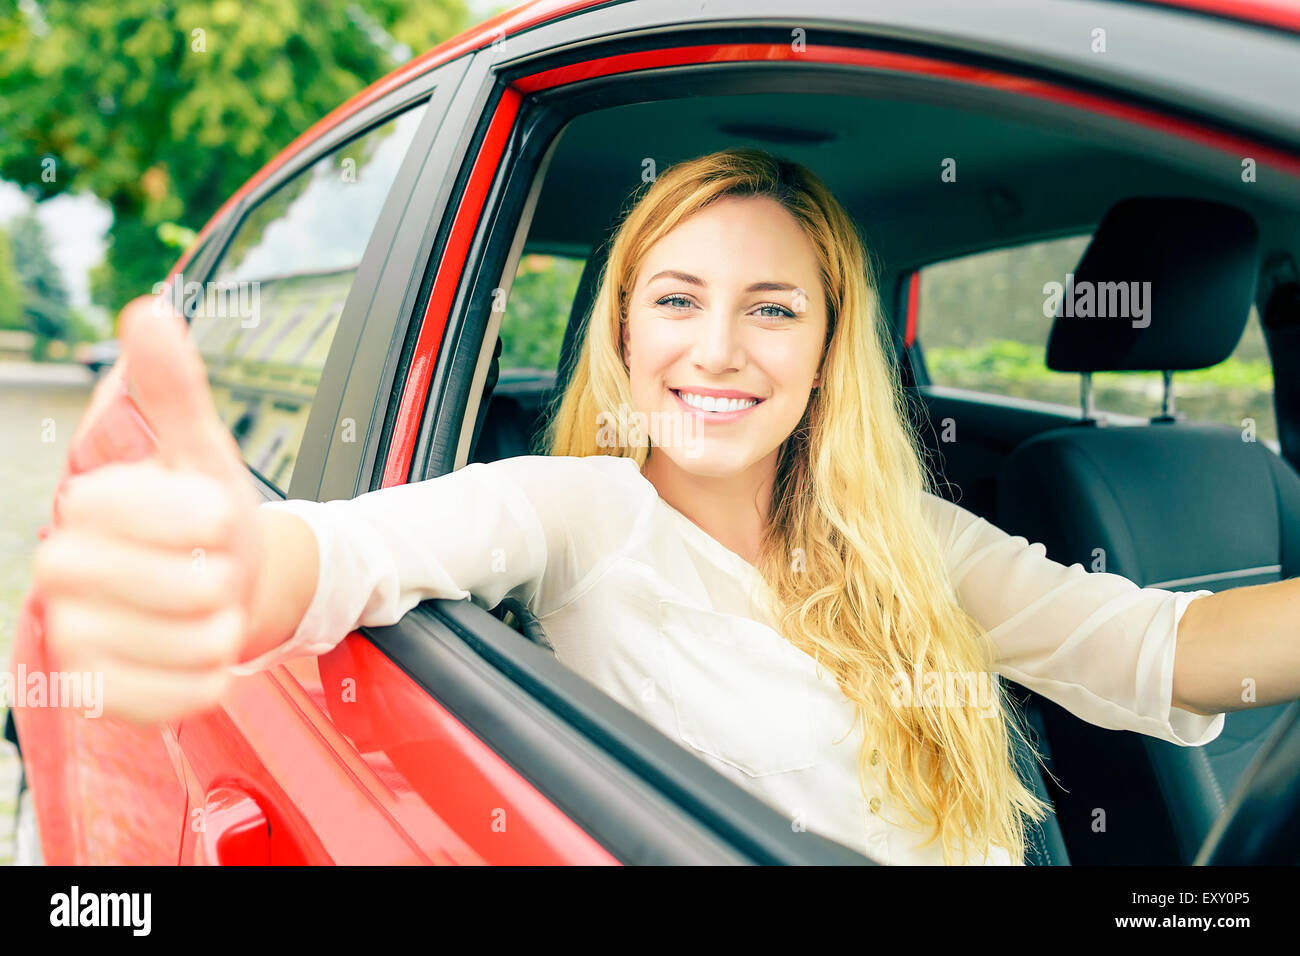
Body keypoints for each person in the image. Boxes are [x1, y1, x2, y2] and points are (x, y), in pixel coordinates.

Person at [32, 148, 1300, 866]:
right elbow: (351, 549)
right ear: (624, 334)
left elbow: (1163, 648)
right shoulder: (577, 508)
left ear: (825, 350)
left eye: (772, 307)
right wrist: (232, 570)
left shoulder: (909, 537)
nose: (720, 350)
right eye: (678, 299)